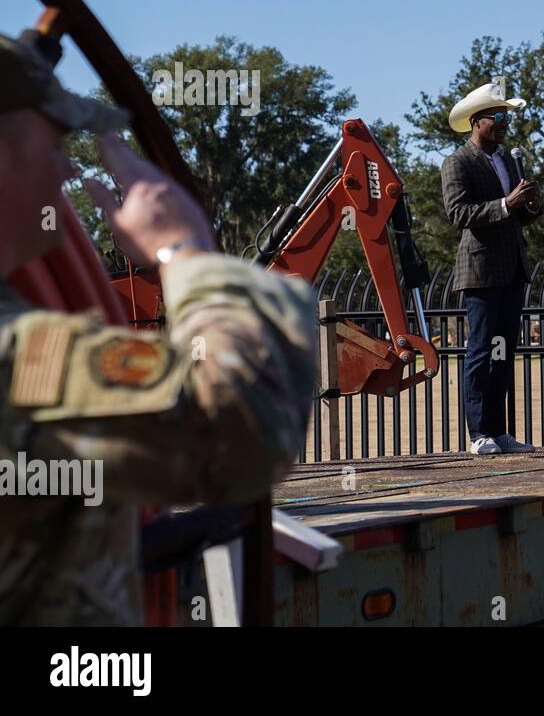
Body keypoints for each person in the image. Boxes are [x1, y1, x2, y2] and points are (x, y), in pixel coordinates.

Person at [0, 31, 316, 625]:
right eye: (55, 142)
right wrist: (183, 249)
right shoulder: (14, 357)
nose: (67, 168)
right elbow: (243, 425)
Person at [441, 82, 543, 455]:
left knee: (502, 352)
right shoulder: (457, 161)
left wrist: (531, 204)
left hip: (513, 268)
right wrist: (505, 203)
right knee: (481, 351)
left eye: (507, 117)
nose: (504, 123)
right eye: (498, 117)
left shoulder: (508, 159)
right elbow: (458, 214)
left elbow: (520, 216)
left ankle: (500, 433)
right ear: (476, 121)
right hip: (481, 271)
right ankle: (479, 434)